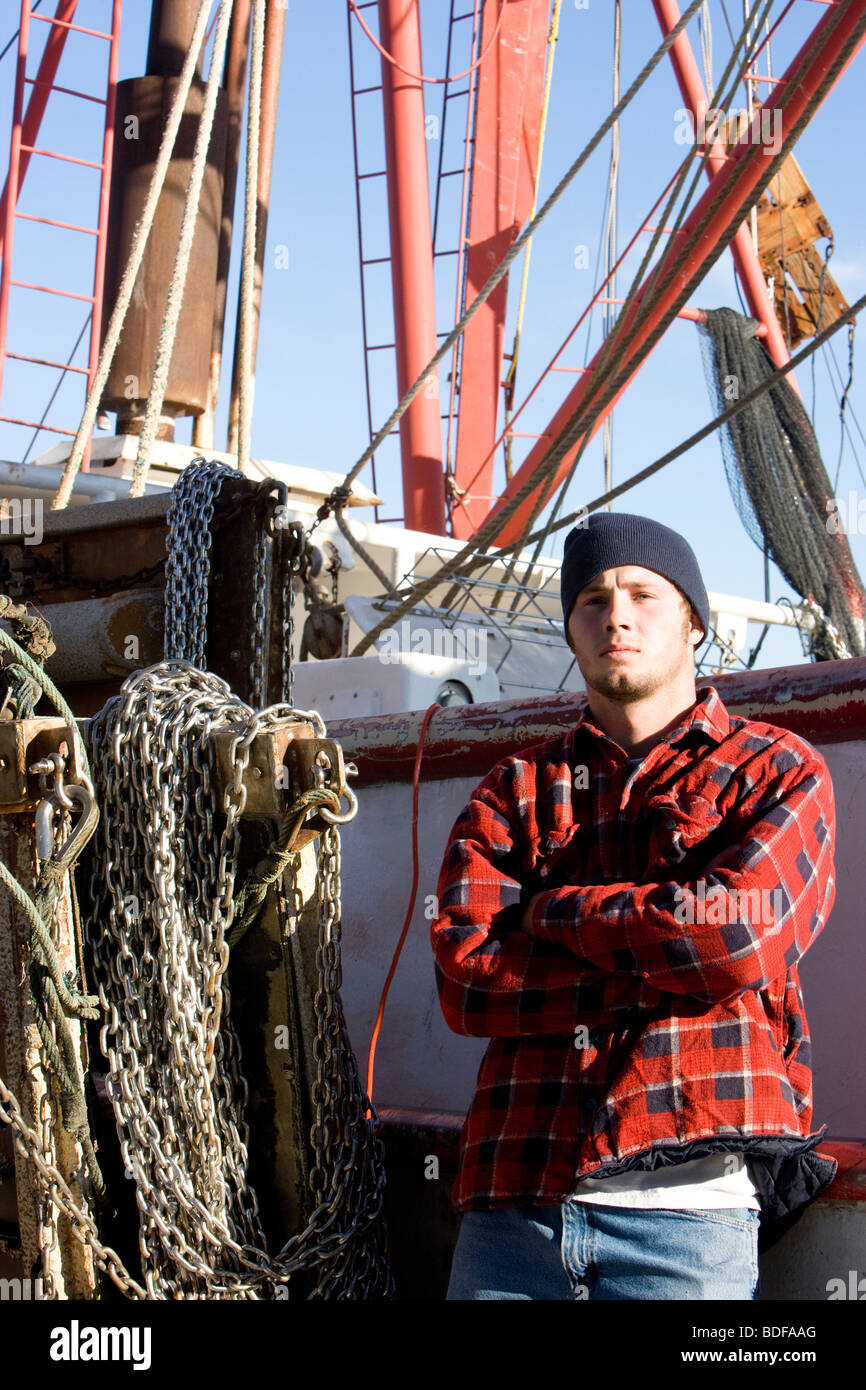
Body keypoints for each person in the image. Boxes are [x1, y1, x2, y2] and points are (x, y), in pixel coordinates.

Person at [431, 511, 837, 1301]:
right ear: (572, 631)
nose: (616, 613)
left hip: (685, 1218)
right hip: (514, 1210)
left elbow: (737, 941)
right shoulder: (514, 789)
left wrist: (551, 914)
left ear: (693, 622)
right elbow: (467, 982)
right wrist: (669, 959)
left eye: (644, 593)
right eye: (591, 598)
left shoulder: (775, 769)